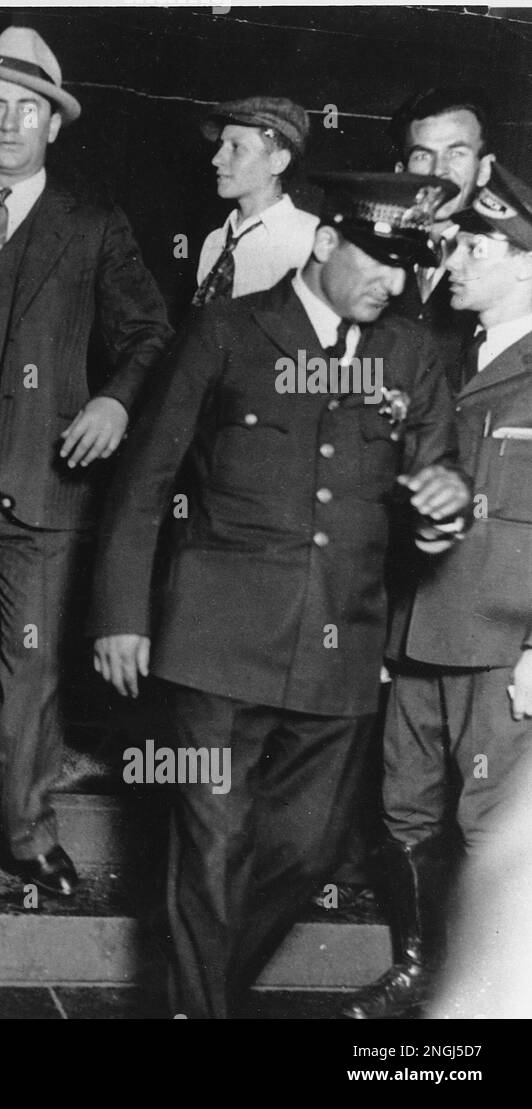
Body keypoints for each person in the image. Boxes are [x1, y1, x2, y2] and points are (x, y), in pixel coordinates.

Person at [90, 172, 471, 1018]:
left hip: (340, 648)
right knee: (214, 846)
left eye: (409, 267)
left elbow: (436, 478)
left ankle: (193, 995)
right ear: (327, 241)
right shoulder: (229, 329)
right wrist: (121, 616)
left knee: (308, 851)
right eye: (380, 258)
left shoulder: (408, 354)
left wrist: (443, 503)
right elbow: (145, 478)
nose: (394, 282)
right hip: (215, 645)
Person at [0, 27, 171, 894]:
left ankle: (27, 830)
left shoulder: (93, 225)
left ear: (54, 126)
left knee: (31, 667)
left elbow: (148, 335)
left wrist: (113, 399)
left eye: (29, 109)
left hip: (49, 486)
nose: (11, 124)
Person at [344, 163, 532, 1019]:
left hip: (500, 639)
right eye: (457, 242)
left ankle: (494, 993)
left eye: (478, 245)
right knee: (406, 807)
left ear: (528, 264)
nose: (454, 257)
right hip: (417, 626)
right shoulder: (438, 355)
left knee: (492, 824)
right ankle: (421, 972)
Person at [387, 87, 496, 385]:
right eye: (423, 155)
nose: (439, 172)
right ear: (401, 172)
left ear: (484, 170)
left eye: (456, 153)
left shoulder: (508, 264)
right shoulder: (373, 255)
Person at [193, 95, 318, 305]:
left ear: (277, 162)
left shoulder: (308, 242)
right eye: (221, 146)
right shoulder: (215, 242)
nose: (216, 160)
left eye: (236, 148)